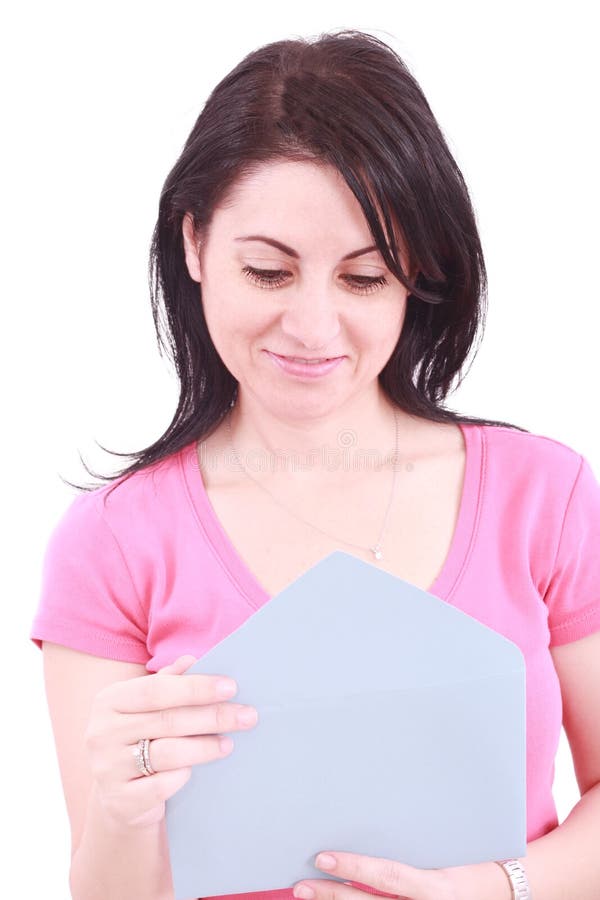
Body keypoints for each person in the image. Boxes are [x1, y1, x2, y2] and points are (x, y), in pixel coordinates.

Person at [29, 27, 600, 900]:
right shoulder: (112, 540)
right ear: (194, 246)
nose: (312, 328)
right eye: (268, 272)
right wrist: (119, 807)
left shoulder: (542, 495)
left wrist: (491, 889)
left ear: (418, 278)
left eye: (365, 280)